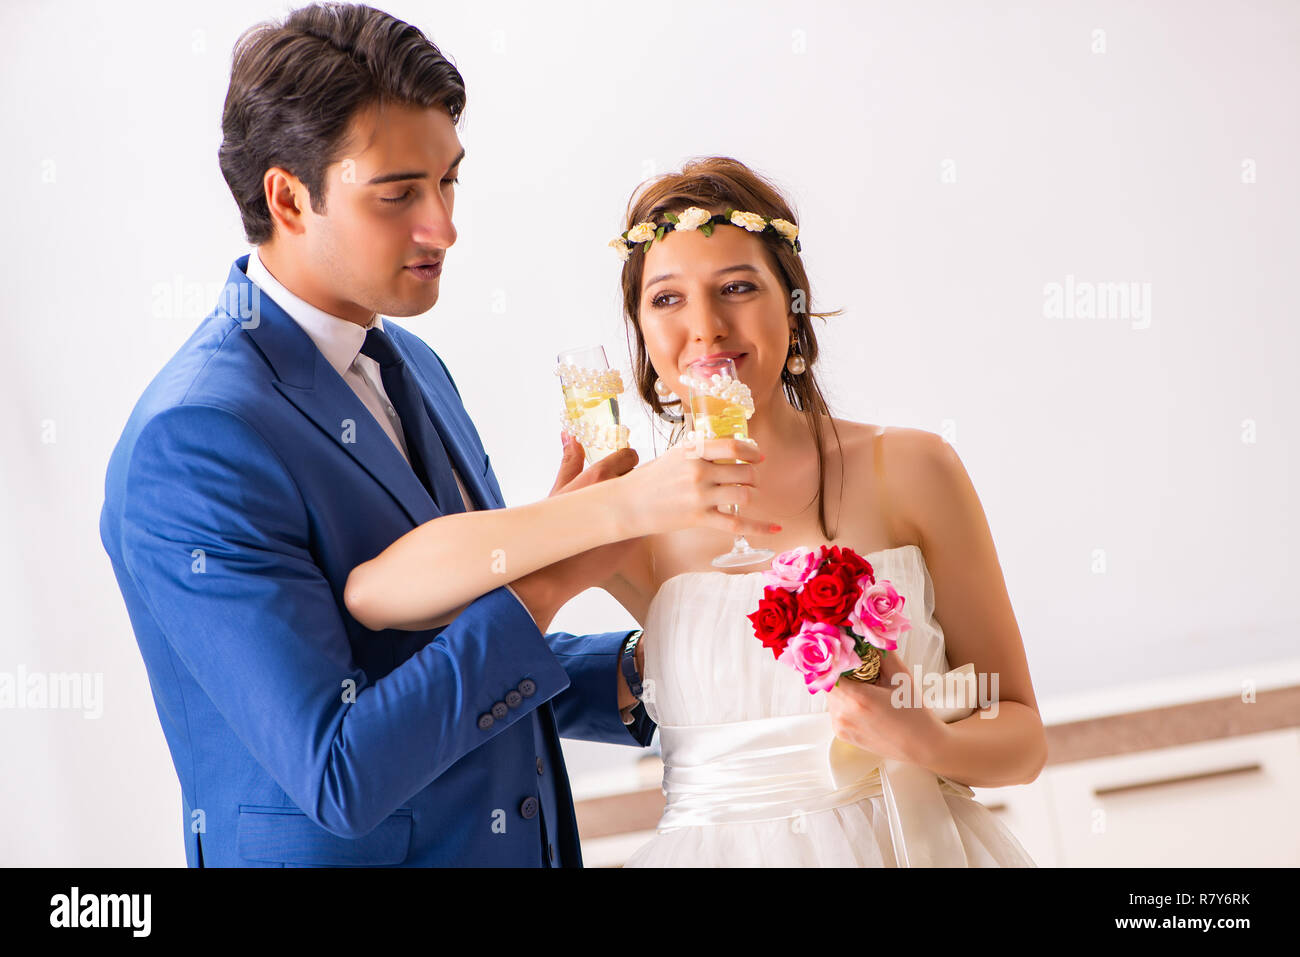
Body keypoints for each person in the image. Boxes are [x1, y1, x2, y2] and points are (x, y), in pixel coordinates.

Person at [356, 156, 1048, 866]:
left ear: (793, 306)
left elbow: (1023, 733)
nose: (707, 326)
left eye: (738, 287)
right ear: (643, 338)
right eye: (667, 299)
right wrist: (577, 516)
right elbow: (378, 595)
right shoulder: (632, 519)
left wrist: (930, 741)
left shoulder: (912, 468)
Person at [97, 2, 656, 868]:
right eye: (398, 194)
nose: (443, 227)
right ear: (287, 196)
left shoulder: (414, 364)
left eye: (449, 182)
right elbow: (341, 767)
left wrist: (646, 671)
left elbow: (450, 658)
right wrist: (547, 574)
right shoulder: (195, 438)